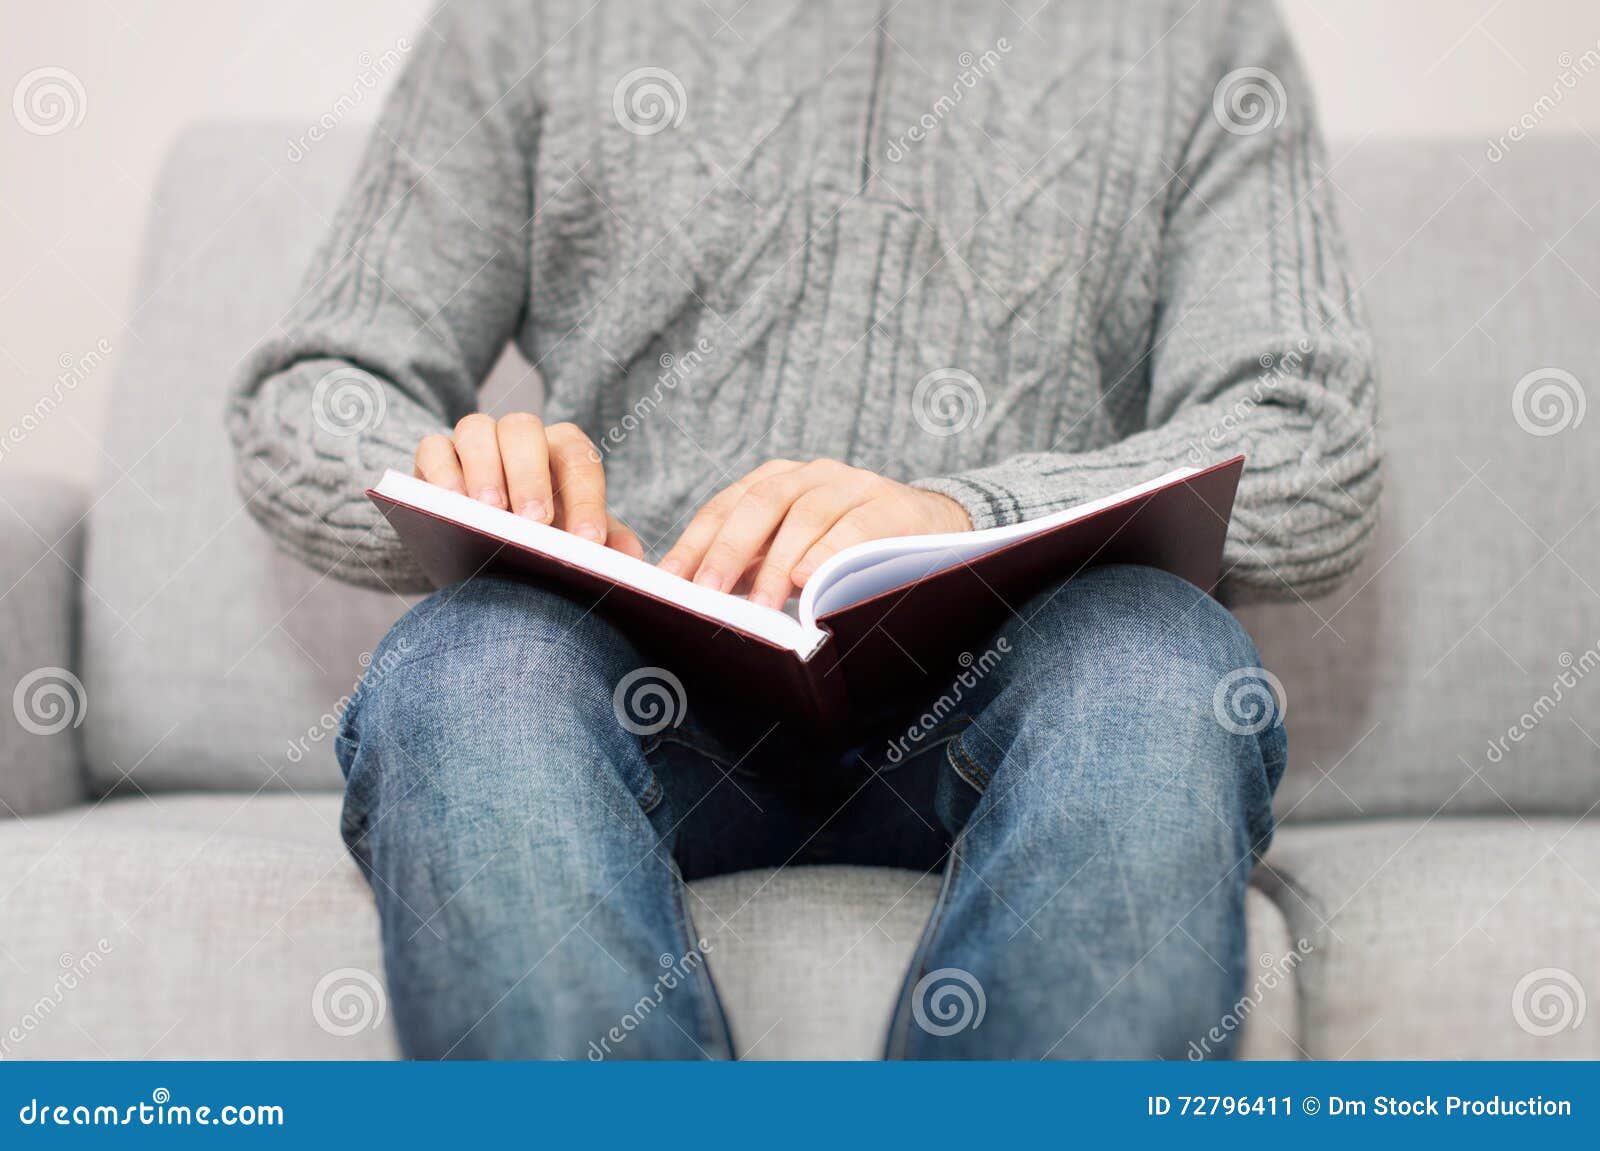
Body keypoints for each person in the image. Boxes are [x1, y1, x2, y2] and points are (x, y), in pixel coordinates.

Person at [229, 0, 1378, 1059]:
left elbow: (1312, 441)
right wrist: (459, 472)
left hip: (1021, 697)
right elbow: (316, 383)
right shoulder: (533, 17)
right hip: (642, 696)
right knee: (471, 664)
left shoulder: (1200, 30)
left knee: (1156, 658)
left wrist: (964, 514)